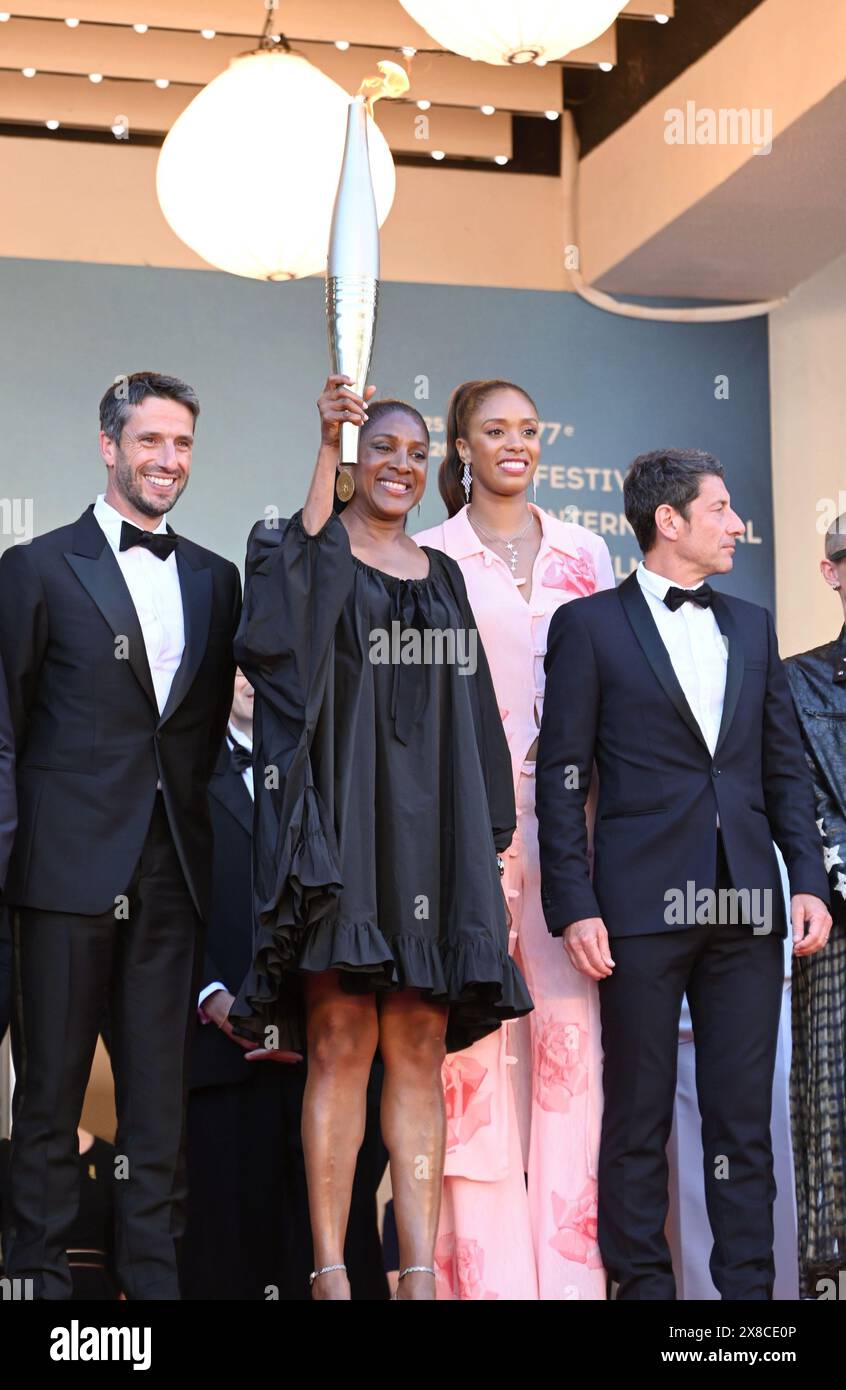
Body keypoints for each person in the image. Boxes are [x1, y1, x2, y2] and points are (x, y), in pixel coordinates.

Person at [227, 374, 532, 1301]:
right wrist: (327, 444)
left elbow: (474, 712)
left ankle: (417, 1274)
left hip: (432, 839)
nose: (398, 466)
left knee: (418, 1049)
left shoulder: (442, 576)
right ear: (355, 465)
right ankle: (330, 1272)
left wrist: (482, 839)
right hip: (348, 837)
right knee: (339, 1039)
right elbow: (285, 617)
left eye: (414, 452)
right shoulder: (301, 550)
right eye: (379, 450)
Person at [536, 448, 831, 1301]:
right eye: (722, 509)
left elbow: (785, 771)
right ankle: (645, 1296)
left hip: (745, 904)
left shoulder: (752, 623)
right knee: (637, 1116)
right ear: (669, 521)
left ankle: (746, 1308)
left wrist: (804, 880)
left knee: (743, 1120)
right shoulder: (588, 626)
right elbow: (564, 777)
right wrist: (573, 905)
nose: (738, 525)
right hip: (636, 909)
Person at [0, 371, 241, 1300]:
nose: (167, 461)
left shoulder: (216, 580)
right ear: (109, 448)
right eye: (150, 442)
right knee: (49, 1101)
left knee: (158, 1112)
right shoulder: (37, 567)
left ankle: (152, 1295)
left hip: (170, 878)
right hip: (59, 877)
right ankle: (40, 1288)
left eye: (181, 444)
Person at [414, 379, 613, 1300]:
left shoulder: (588, 551)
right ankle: (483, 1286)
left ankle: (573, 1285)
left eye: (530, 429)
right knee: (474, 1061)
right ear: (461, 445)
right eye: (495, 430)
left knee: (571, 1054)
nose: (517, 444)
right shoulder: (428, 557)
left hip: (576, 832)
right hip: (467, 831)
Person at [182, 671, 389, 1300]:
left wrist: (310, 1013)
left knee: (333, 1252)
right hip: (220, 1059)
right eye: (235, 664)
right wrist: (216, 999)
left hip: (325, 1054)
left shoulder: (337, 769)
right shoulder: (180, 772)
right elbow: (158, 907)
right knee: (224, 1259)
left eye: (264, 664)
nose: (248, 680)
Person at [783, 511, 846, 1297]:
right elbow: (796, 805)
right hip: (835, 934)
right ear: (832, 572)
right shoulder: (794, 681)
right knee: (830, 1123)